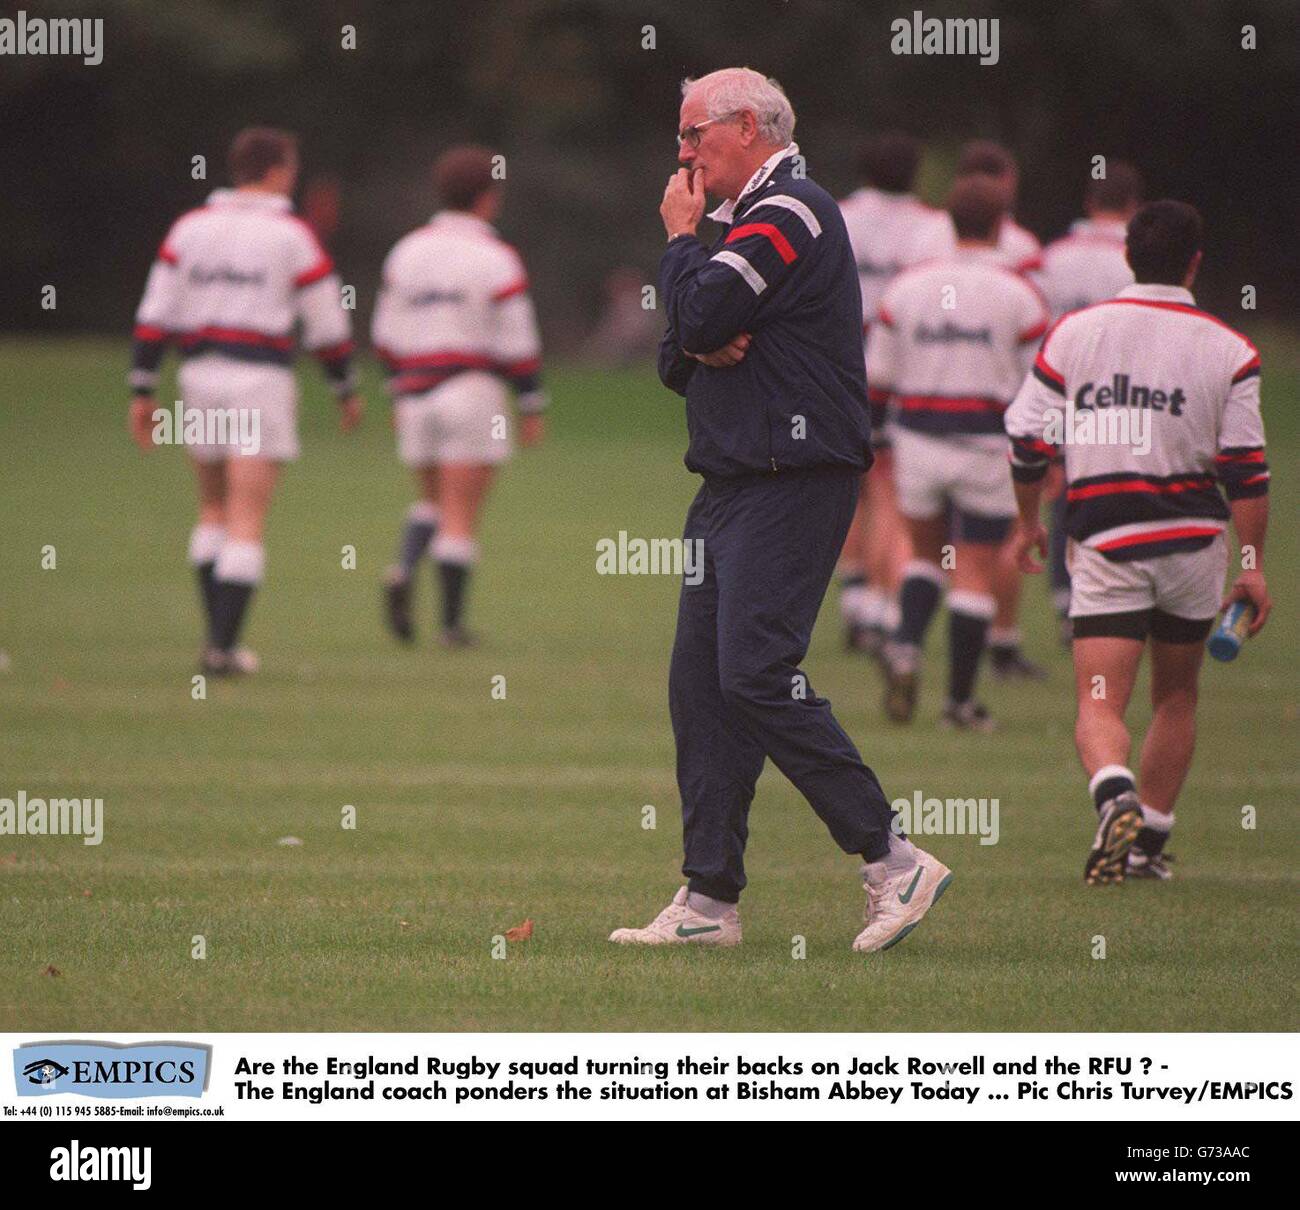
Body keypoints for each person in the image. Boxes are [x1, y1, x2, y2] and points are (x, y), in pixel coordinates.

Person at [609, 68, 952, 955]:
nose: (682, 154)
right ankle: (708, 901)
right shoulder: (735, 223)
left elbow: (702, 311)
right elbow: (675, 353)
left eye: (695, 135)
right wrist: (696, 316)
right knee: (702, 688)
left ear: (751, 128)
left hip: (794, 475)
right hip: (729, 480)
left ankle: (891, 856)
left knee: (755, 673)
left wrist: (685, 255)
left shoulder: (791, 209)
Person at [1005, 200, 1270, 883]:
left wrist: (1028, 519)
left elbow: (1027, 439)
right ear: (1195, 263)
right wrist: (1253, 566)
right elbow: (1246, 469)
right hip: (1193, 544)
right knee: (1176, 696)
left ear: (1128, 256)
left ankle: (1114, 794)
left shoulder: (1075, 333)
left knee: (1099, 698)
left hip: (1104, 538)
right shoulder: (1230, 349)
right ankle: (1147, 846)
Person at [128, 127, 362, 675]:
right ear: (279, 170)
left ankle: (218, 641)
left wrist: (142, 388)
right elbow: (327, 324)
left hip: (199, 377)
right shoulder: (292, 234)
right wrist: (344, 387)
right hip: (260, 382)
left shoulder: (189, 229)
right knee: (246, 518)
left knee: (211, 509)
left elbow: (154, 313)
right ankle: (223, 648)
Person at [870, 175, 1051, 729]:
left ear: (948, 221)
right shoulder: (1019, 295)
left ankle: (905, 645)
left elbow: (877, 376)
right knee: (972, 567)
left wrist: (878, 440)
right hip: (987, 447)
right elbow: (1038, 388)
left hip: (918, 441)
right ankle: (959, 704)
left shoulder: (907, 288)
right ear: (1001, 226)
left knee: (925, 554)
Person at [373, 145, 546, 646]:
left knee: (430, 500)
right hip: (472, 389)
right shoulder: (495, 256)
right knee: (460, 514)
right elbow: (518, 338)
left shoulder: (406, 251)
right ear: (487, 197)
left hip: (414, 391)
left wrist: (394, 392)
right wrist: (531, 402)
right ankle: (451, 627)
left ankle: (404, 567)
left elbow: (385, 334)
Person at [836, 131, 935, 655]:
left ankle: (855, 594)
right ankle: (881, 601)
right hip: (900, 371)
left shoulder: (838, 216)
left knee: (849, 480)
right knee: (889, 489)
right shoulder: (931, 228)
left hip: (840, 369)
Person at [1036, 162, 1143, 632]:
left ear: (1088, 203)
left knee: (1065, 494)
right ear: (1134, 206)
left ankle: (1066, 594)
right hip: (1125, 393)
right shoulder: (1137, 254)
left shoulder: (1053, 256)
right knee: (1122, 489)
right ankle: (1116, 589)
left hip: (1065, 387)